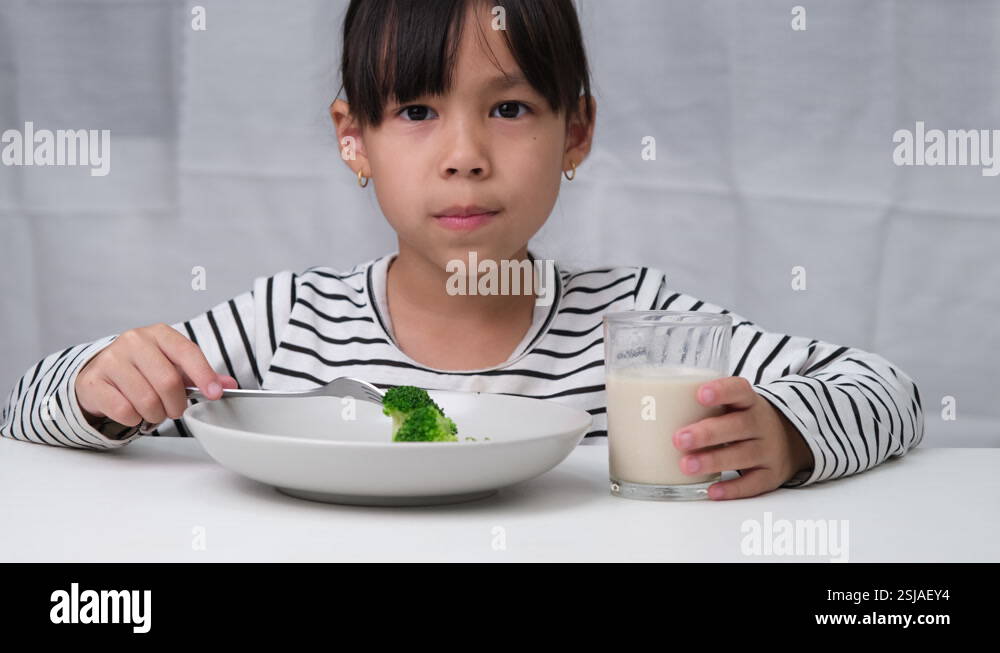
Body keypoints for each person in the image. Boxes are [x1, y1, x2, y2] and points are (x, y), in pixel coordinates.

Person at [0, 0, 923, 500]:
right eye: (415, 111)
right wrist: (101, 387)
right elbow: (28, 411)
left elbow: (889, 389)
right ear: (352, 138)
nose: (465, 154)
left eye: (511, 108)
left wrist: (792, 433)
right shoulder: (287, 322)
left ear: (578, 132)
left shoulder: (640, 330)